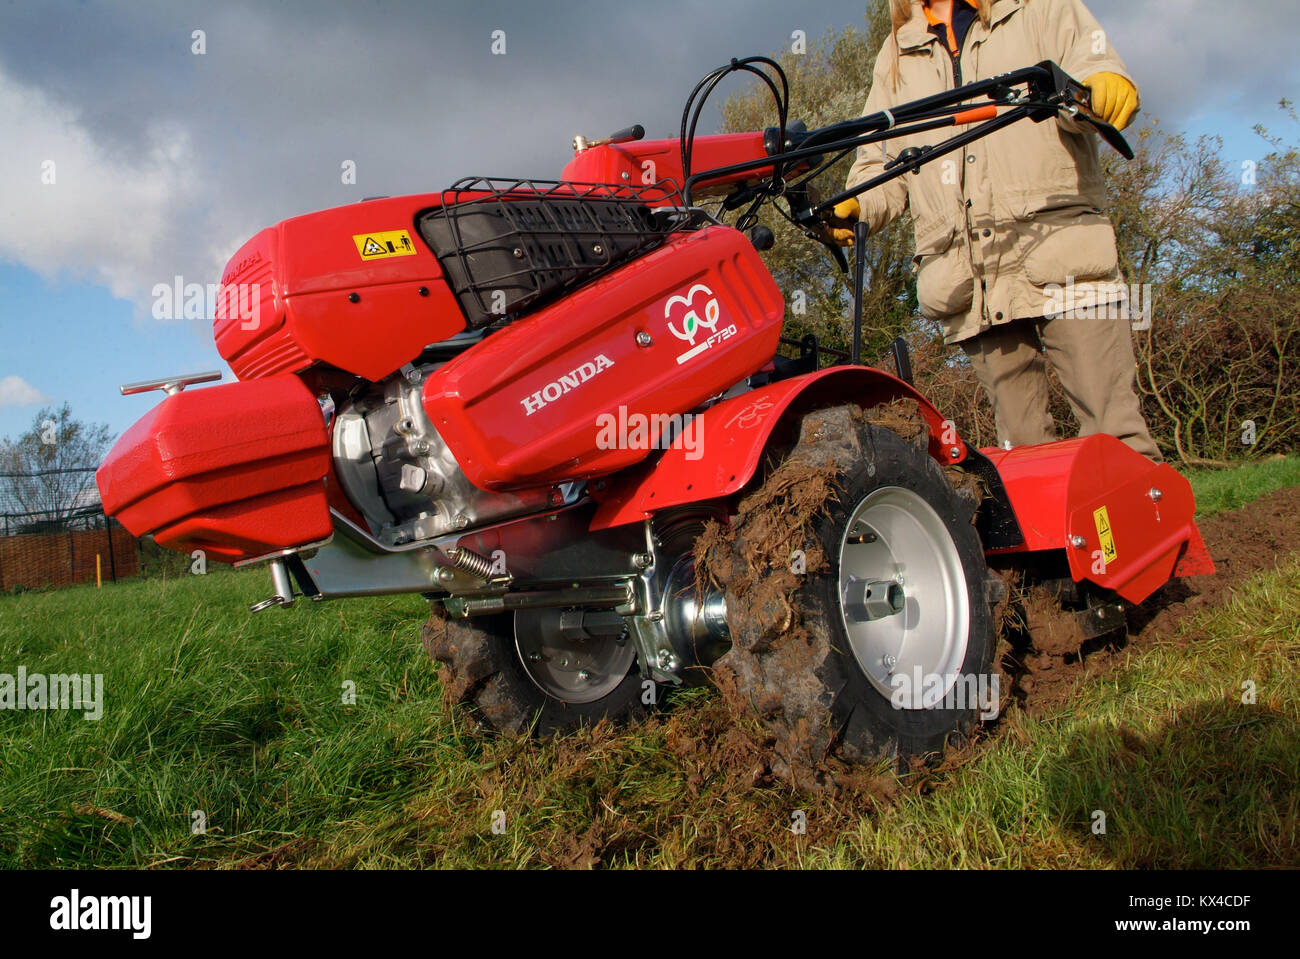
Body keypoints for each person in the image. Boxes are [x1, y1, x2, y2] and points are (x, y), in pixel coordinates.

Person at [831, 0, 1161, 461]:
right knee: (1024, 456)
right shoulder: (897, 52)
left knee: (1116, 437)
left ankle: (1157, 531)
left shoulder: (1040, 8)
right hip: (972, 284)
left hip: (1061, 259)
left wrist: (1102, 89)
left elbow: (1091, 68)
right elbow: (882, 164)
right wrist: (858, 204)